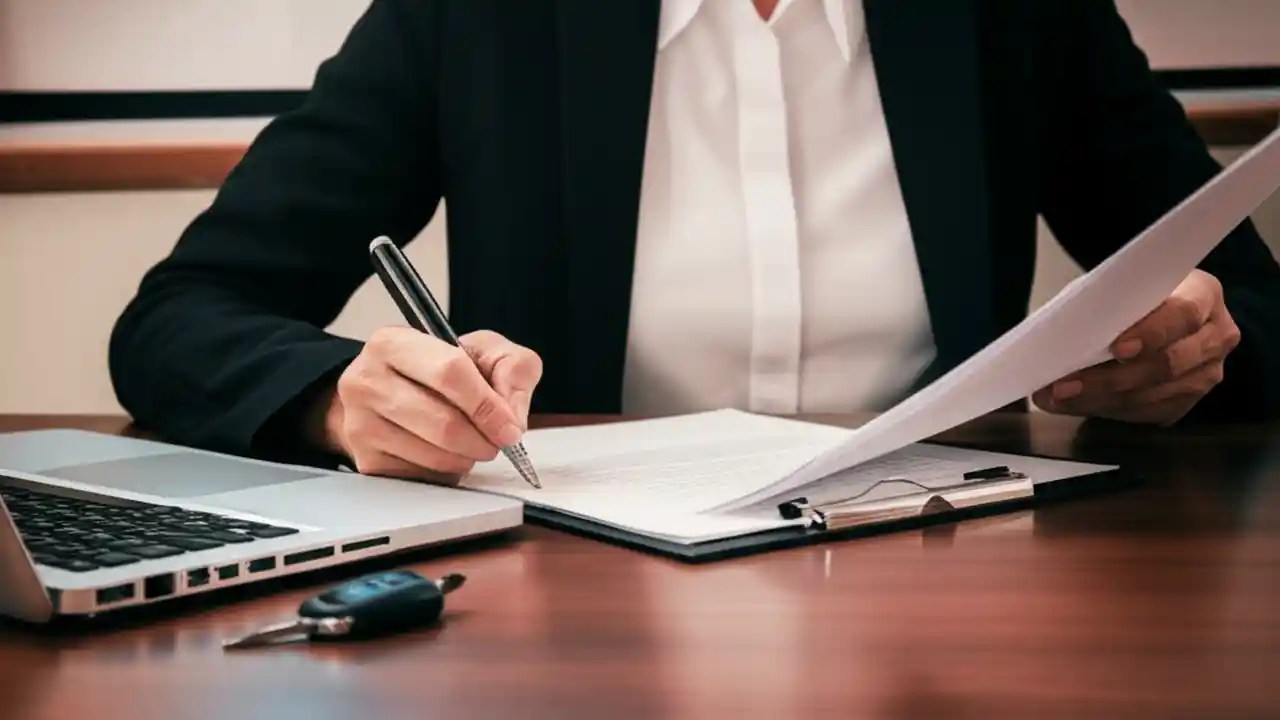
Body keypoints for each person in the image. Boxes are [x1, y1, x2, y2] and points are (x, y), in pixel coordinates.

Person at [110, 0, 1280, 483]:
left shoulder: (1014, 12)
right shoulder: (480, 17)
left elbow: (1249, 309)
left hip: (946, 593)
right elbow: (179, 319)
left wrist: (1189, 352)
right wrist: (336, 399)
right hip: (577, 622)